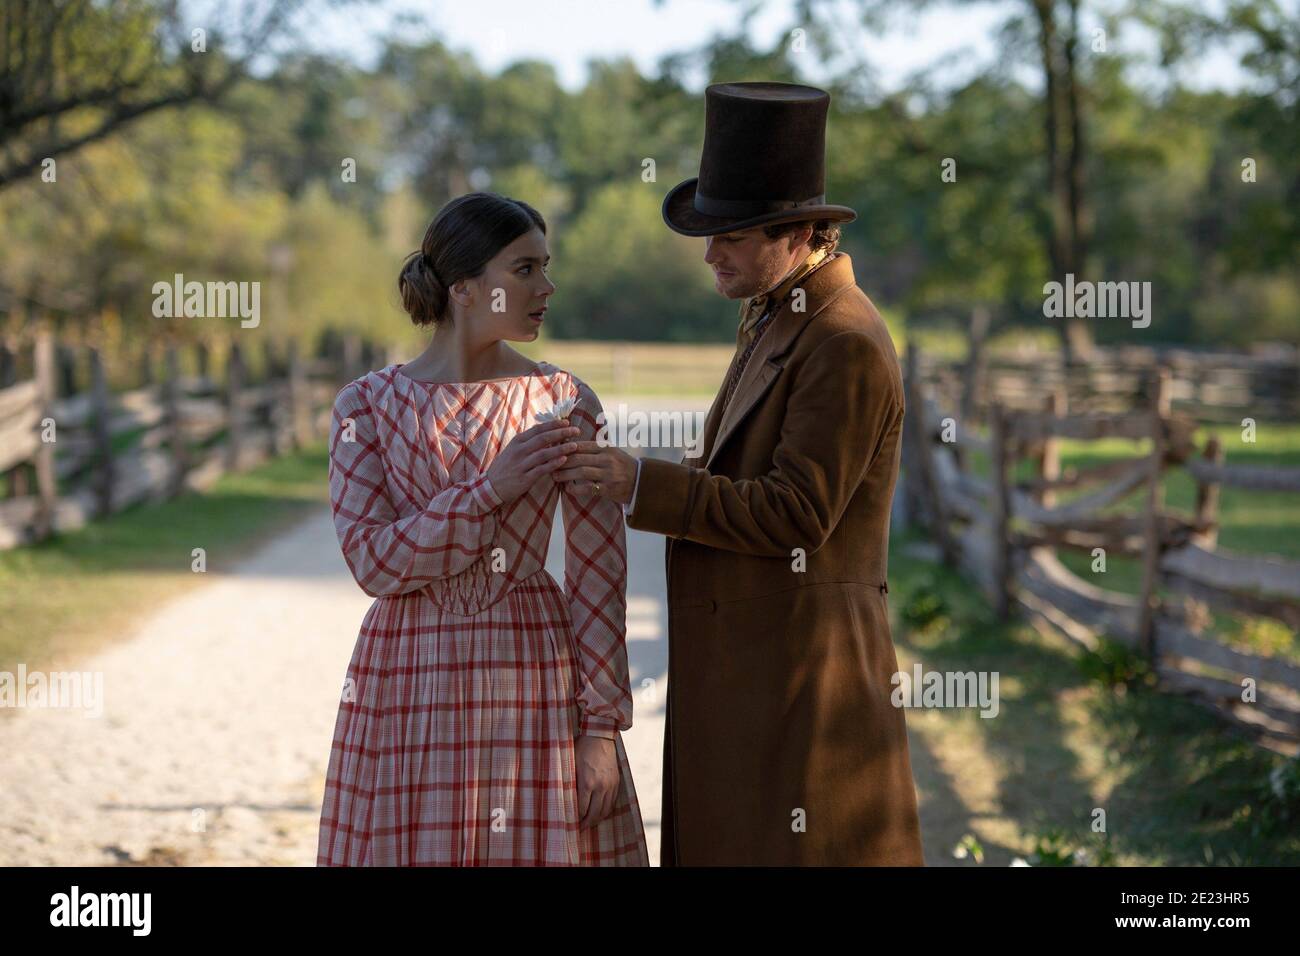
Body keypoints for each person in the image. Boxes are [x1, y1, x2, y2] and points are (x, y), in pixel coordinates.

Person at [554, 82, 926, 865]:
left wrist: (640, 483)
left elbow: (797, 512)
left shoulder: (843, 340)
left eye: (732, 235)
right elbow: (739, 471)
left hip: (805, 674)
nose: (710, 252)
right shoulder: (779, 314)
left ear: (798, 233)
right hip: (762, 664)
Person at [317, 192, 649, 866]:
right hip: (409, 675)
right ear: (465, 288)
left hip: (531, 673)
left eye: (546, 268)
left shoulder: (562, 402)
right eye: (524, 269)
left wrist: (601, 731)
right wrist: (489, 492)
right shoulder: (367, 406)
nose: (547, 287)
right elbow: (374, 564)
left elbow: (597, 577)